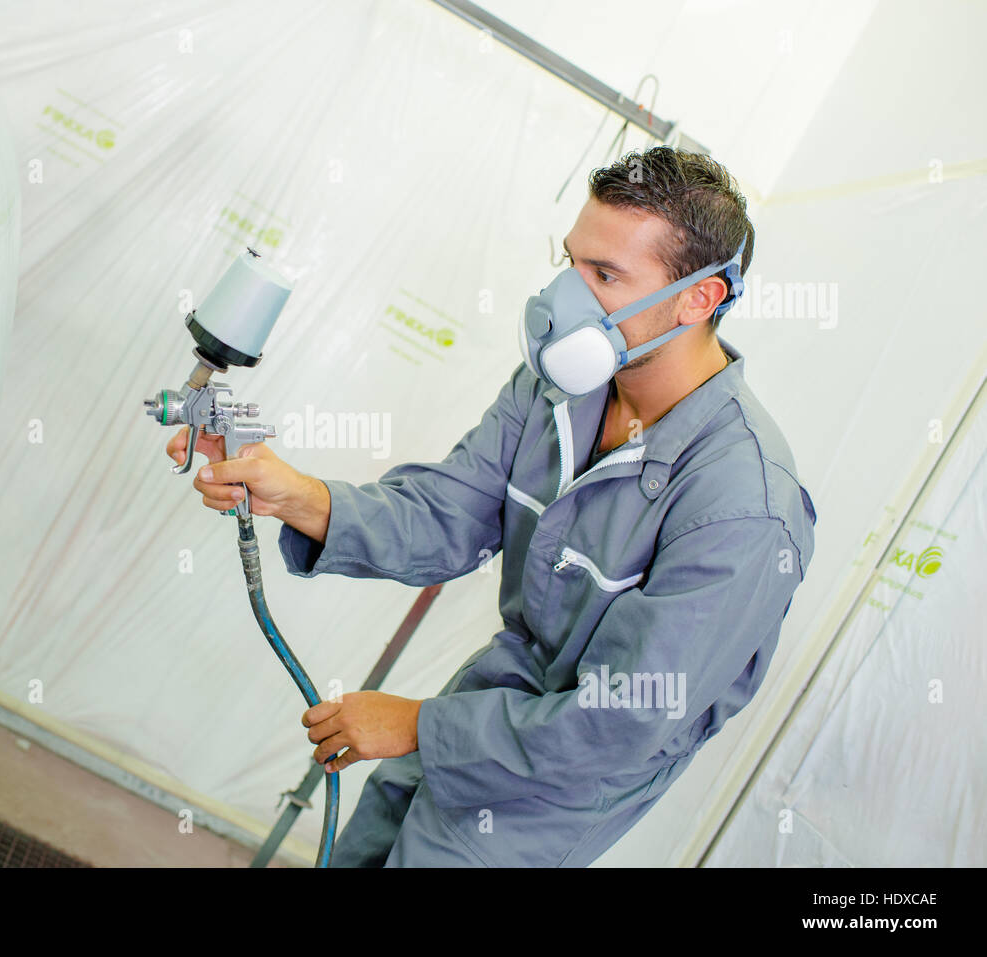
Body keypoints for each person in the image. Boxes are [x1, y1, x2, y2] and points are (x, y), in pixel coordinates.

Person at [166, 146, 816, 867]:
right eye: (571, 262)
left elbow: (622, 718)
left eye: (604, 276)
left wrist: (420, 727)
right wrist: (300, 497)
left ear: (700, 298)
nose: (563, 301)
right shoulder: (556, 389)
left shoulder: (744, 506)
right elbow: (450, 512)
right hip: (479, 712)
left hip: (551, 796)